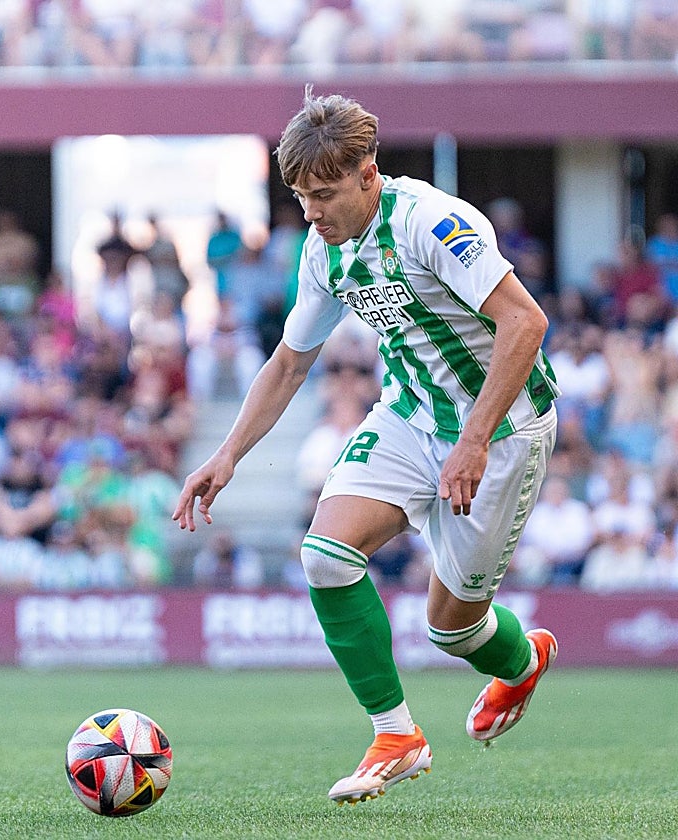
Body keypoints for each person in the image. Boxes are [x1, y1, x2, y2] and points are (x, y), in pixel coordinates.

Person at [173, 89, 560, 805]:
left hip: (502, 430)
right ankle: (396, 735)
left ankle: (523, 657)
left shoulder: (432, 223)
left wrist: (473, 440)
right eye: (299, 197)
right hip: (410, 416)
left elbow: (525, 323)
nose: (312, 213)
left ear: (367, 173)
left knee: (453, 630)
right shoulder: (323, 251)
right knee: (323, 557)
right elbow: (290, 361)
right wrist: (227, 455)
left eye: (324, 194)